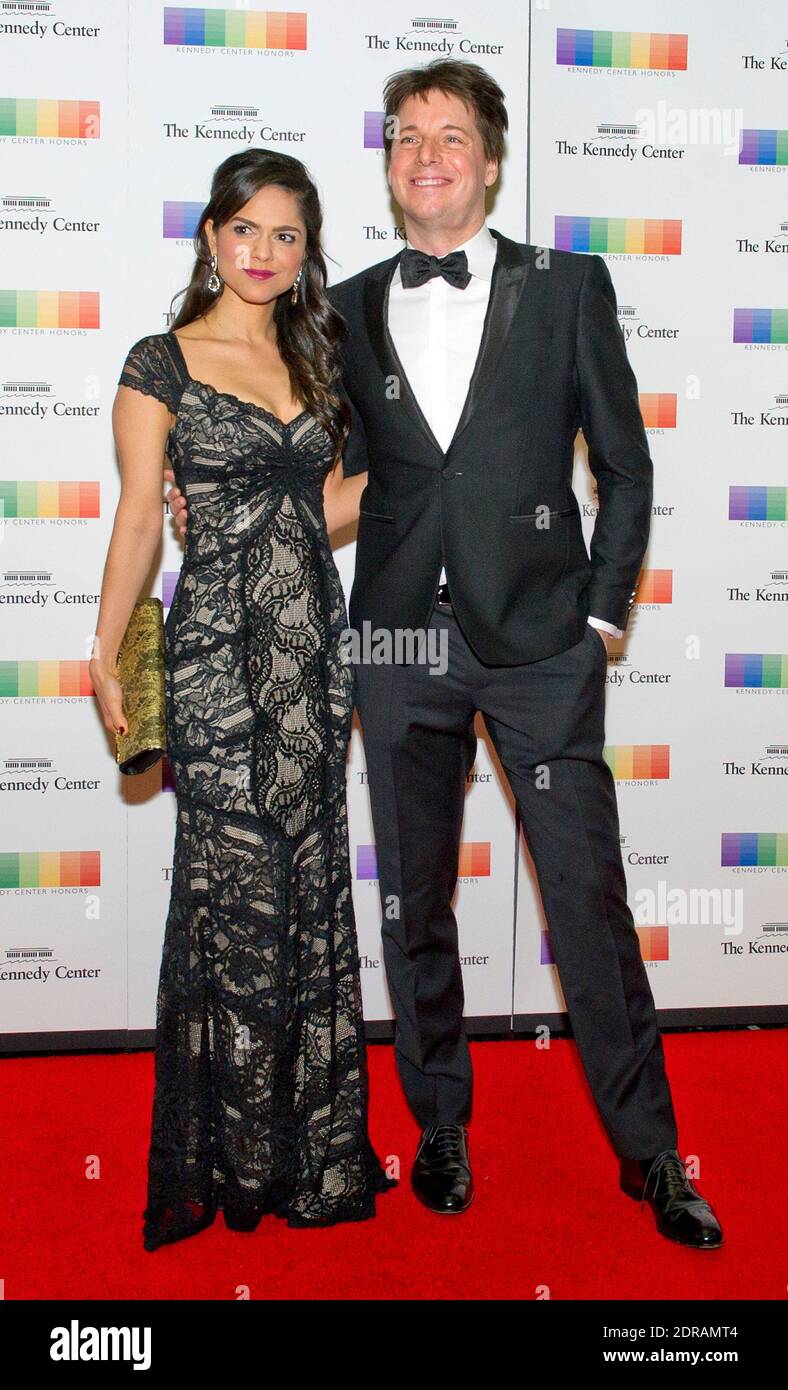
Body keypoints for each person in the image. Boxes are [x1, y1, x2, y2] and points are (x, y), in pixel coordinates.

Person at [169, 62, 723, 1249]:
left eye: (451, 135)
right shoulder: (348, 307)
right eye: (407, 136)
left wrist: (599, 619)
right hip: (396, 645)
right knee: (415, 901)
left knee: (587, 905)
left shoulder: (568, 286)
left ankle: (653, 1154)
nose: (429, 154)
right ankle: (439, 1126)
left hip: (539, 651)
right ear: (386, 164)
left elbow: (624, 465)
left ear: (488, 158)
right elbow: (317, 485)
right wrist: (210, 499)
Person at [91, 148, 395, 1252]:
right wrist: (106, 649)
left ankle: (306, 1153)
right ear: (211, 236)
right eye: (245, 228)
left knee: (310, 885)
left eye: (286, 235)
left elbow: (322, 510)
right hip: (214, 656)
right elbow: (137, 519)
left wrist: (435, 472)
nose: (263, 252)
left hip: (311, 656)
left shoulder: (322, 361)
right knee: (233, 894)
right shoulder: (160, 361)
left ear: (305, 251)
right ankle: (225, 1156)